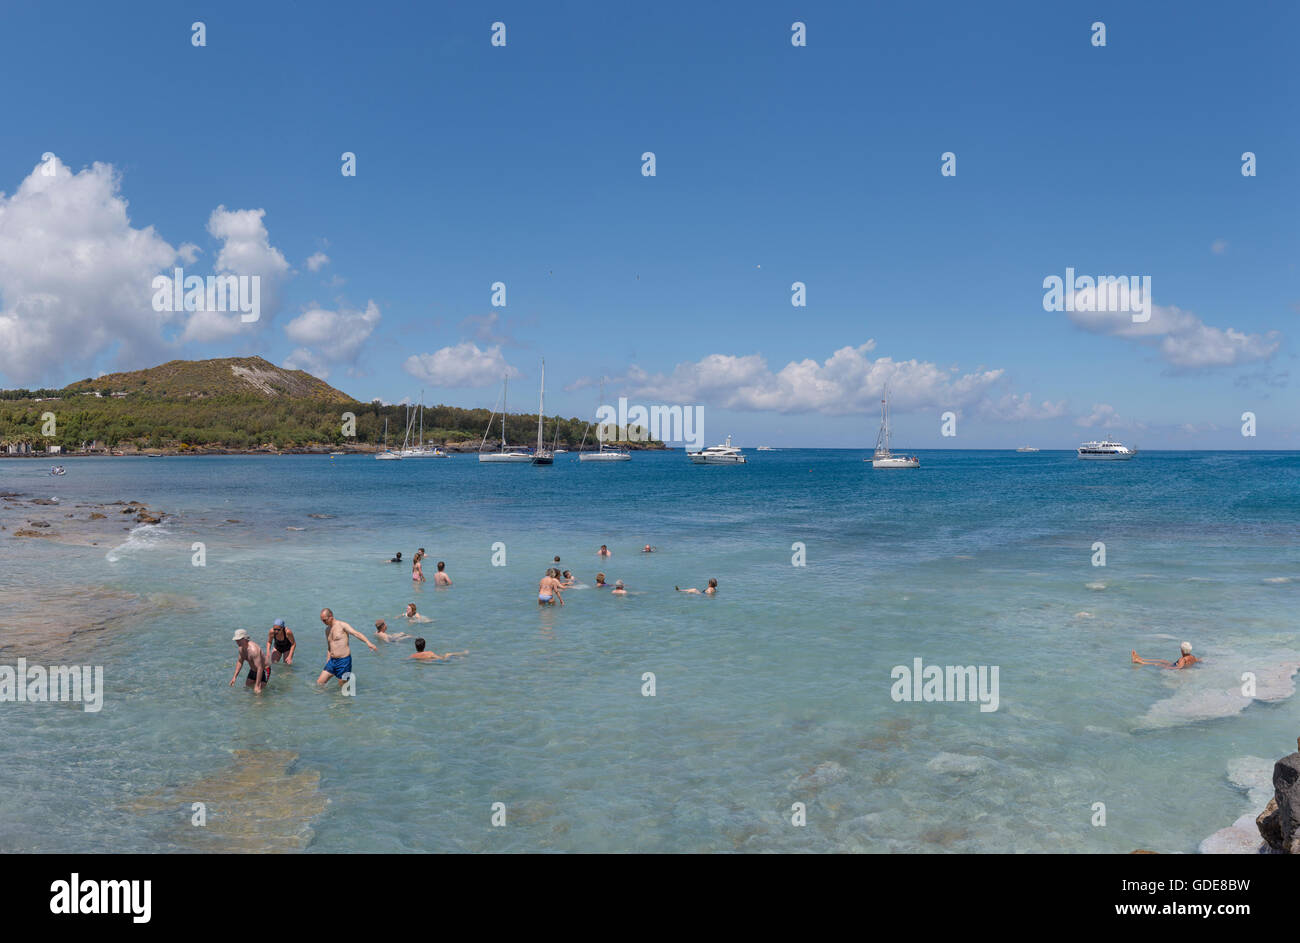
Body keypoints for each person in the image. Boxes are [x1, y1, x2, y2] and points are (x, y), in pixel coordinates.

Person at [315, 608, 378, 687]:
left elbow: (356, 633)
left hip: (344, 662)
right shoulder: (327, 630)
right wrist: (327, 661)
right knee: (319, 684)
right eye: (322, 621)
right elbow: (329, 647)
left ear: (331, 616)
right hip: (332, 661)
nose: (323, 622)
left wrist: (368, 642)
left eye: (324, 620)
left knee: (343, 689)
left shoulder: (342, 625)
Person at [1132, 642, 1200, 669]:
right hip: (1175, 664)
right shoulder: (1193, 657)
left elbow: (1179, 667)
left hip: (1174, 666)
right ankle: (1141, 658)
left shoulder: (1182, 659)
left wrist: (1165, 666)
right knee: (1161, 660)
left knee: (1157, 664)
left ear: (1182, 650)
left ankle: (1139, 661)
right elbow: (1197, 660)